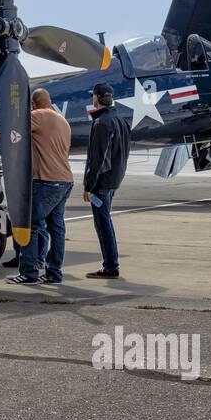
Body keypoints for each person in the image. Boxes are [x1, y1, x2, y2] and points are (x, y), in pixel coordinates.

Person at [0, 88, 74, 284]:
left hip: (46, 181)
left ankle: (28, 273)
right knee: (57, 228)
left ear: (33, 104)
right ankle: (54, 273)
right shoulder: (63, 121)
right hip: (65, 180)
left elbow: (5, 132)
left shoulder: (38, 116)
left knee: (30, 225)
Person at [82, 82, 131, 279]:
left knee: (103, 224)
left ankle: (111, 266)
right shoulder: (121, 120)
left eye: (93, 95)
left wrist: (88, 186)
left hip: (101, 183)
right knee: (106, 222)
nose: (92, 98)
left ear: (98, 98)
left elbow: (97, 159)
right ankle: (111, 264)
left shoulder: (101, 123)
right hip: (114, 180)